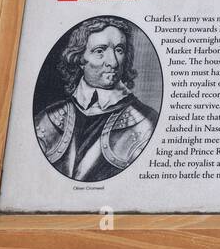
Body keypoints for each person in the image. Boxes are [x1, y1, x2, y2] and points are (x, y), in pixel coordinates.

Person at [34, 17, 157, 183]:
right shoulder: (49, 118)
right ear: (79, 59)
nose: (113, 62)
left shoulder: (146, 122)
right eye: (100, 51)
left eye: (119, 50)